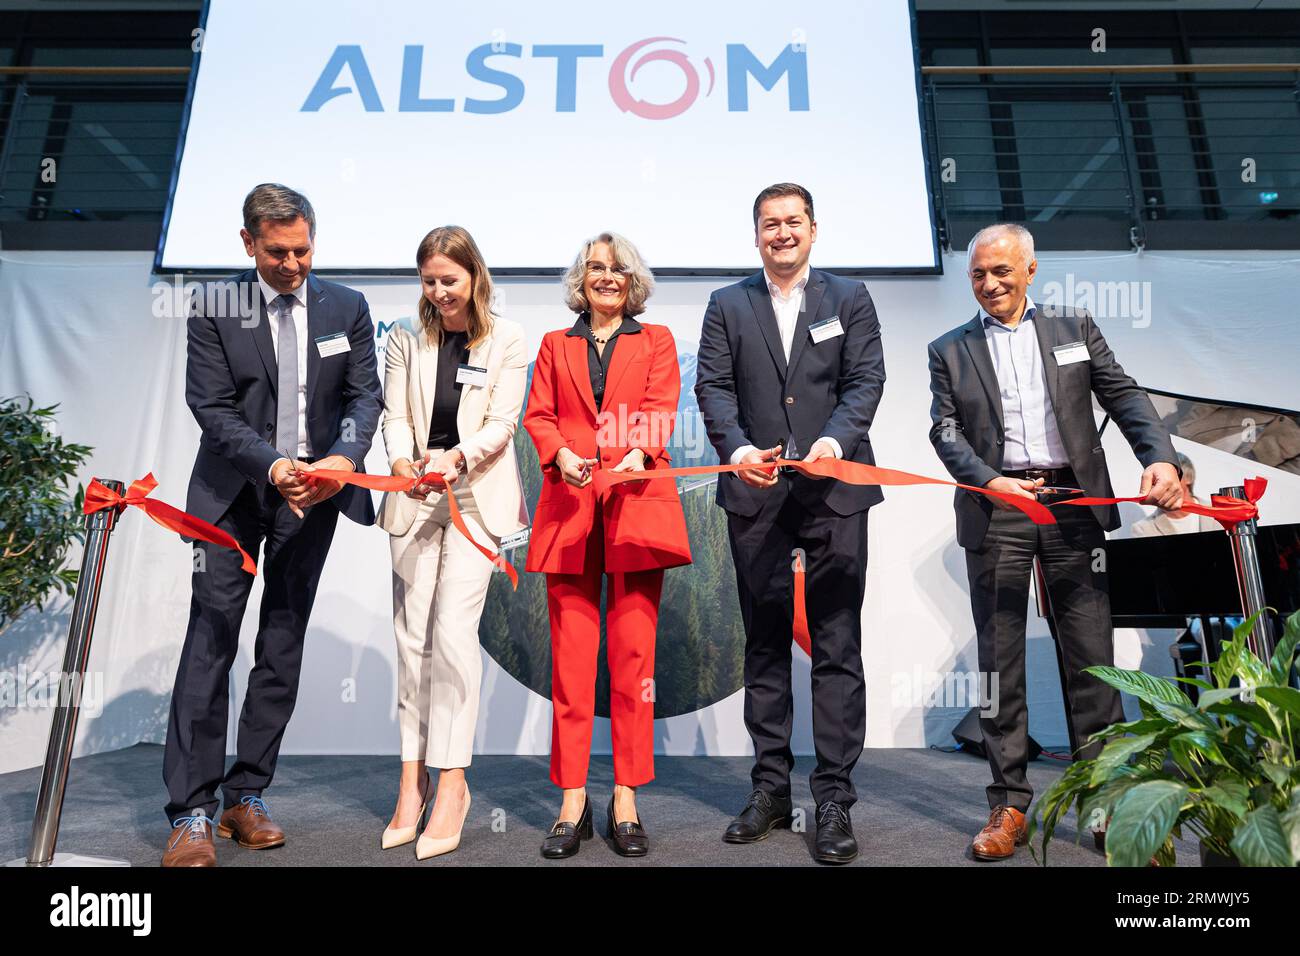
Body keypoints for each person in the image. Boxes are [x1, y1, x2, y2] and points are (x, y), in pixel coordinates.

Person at [926, 222, 1182, 862]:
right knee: (998, 664)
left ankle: (1107, 806)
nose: (989, 284)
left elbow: (1126, 398)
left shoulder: (1076, 329)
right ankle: (1008, 803)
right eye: (979, 274)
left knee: (1092, 661)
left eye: (1002, 272)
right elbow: (946, 430)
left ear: (1030, 271)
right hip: (999, 505)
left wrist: (1162, 459)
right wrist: (992, 482)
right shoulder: (947, 349)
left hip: (1074, 504)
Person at [162, 183, 382, 867]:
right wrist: (275, 465)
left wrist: (342, 458)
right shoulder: (215, 305)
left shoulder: (347, 305)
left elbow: (363, 395)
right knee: (211, 638)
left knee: (282, 639)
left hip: (314, 497)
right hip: (233, 496)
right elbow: (212, 406)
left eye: (303, 250)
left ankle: (246, 794)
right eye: (278, 252)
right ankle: (191, 812)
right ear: (248, 244)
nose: (293, 264)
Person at [695, 183, 886, 865]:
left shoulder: (850, 297)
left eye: (793, 222)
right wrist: (739, 450)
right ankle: (770, 788)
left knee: (837, 643)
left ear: (813, 229)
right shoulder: (727, 304)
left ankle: (833, 797)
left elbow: (865, 380)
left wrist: (834, 444)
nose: (782, 233)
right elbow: (712, 388)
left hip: (835, 492)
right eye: (770, 224)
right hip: (756, 496)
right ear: (756, 234)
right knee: (766, 643)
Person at [522, 232, 691, 859]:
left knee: (633, 666)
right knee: (569, 668)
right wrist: (560, 454)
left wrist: (632, 454)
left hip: (635, 510)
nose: (607, 276)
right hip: (568, 513)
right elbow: (538, 416)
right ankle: (572, 800)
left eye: (618, 268)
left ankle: (625, 797)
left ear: (633, 278)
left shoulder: (657, 341)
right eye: (595, 267)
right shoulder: (553, 344)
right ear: (580, 278)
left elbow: (659, 409)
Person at [376, 226, 529, 859]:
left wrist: (454, 463)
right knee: (412, 641)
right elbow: (395, 416)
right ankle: (410, 784)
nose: (440, 292)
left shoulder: (508, 339)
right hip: (414, 495)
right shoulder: (403, 340)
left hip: (474, 496)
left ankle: (453, 785)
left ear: (475, 277)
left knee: (454, 638)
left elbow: (502, 424)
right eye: (430, 280)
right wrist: (407, 463)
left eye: (451, 280)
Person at [1132, 452, 1217, 536]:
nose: (1159, 484)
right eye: (1154, 479)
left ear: (1189, 478)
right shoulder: (1143, 529)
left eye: (1169, 476)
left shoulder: (1218, 512)